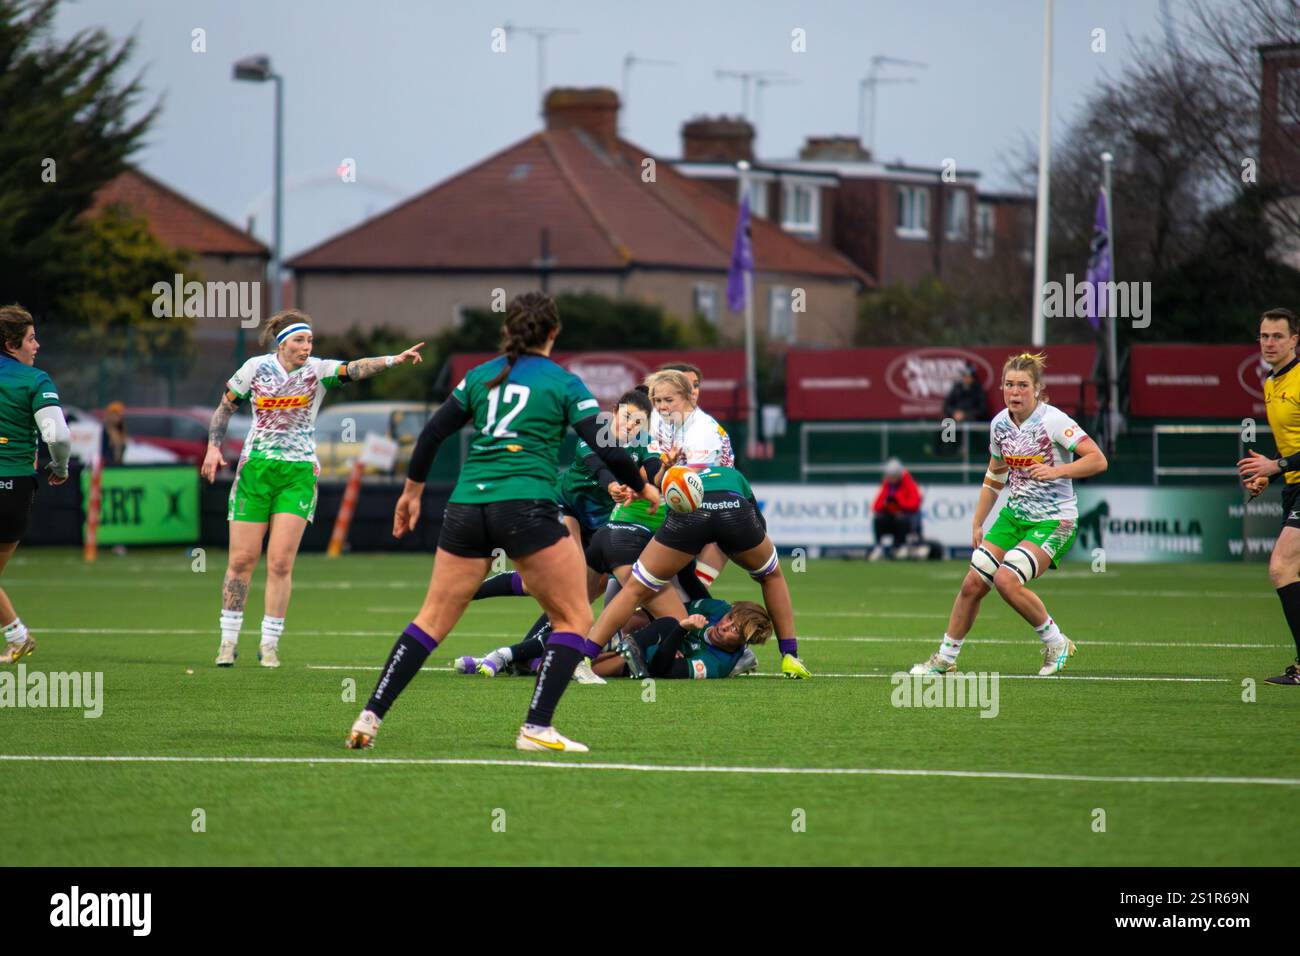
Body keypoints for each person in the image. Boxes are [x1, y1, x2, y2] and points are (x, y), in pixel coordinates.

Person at [345, 292, 658, 753]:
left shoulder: (480, 376)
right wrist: (645, 487)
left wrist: (411, 492)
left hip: (466, 506)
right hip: (525, 507)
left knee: (431, 619)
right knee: (574, 616)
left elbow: (432, 433)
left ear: (508, 332)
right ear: (553, 334)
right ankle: (536, 727)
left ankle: (370, 716)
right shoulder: (564, 383)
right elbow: (608, 446)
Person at [517, 461, 812, 751]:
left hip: (688, 518)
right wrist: (741, 545)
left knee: (634, 590)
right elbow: (757, 521)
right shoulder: (733, 475)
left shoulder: (675, 476)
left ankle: (584, 658)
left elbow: (656, 496)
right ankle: (790, 656)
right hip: (735, 514)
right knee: (771, 576)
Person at [204, 309, 424, 668]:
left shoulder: (317, 371)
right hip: (255, 470)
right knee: (242, 560)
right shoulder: (254, 369)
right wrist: (214, 447)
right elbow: (224, 409)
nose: (307, 347)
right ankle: (227, 642)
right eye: (299, 340)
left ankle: (270, 643)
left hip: (299, 473)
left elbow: (354, 368)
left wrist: (392, 360)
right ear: (282, 344)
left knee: (279, 562)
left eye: (310, 340)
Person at [911, 351, 1108, 677]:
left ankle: (1055, 641)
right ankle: (945, 659)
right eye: (1008, 385)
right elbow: (995, 475)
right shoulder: (1000, 424)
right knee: (973, 583)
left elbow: (1098, 460)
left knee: (1006, 579)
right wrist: (978, 521)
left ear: (1038, 389)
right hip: (1013, 516)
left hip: (1054, 520)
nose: (1014, 392)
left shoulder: (1053, 421)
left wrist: (1057, 471)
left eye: (1022, 385)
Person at [0, 305, 72, 665]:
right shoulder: (35, 380)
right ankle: (17, 637)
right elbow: (57, 434)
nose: (37, 345)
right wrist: (59, 466)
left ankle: (17, 635)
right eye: (30, 338)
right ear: (12, 344)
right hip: (16, 487)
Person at [1237, 307, 1300, 685]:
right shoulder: (1271, 383)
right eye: (1264, 336)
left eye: (1278, 336)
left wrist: (1276, 466)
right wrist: (1271, 476)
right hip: (1294, 487)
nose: (1270, 343)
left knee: (1281, 567)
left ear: (1295, 339)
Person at [597, 599, 771, 680]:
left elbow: (662, 670)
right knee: (649, 616)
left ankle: (611, 644)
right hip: (650, 633)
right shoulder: (718, 608)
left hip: (647, 662)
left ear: (743, 642)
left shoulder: (715, 665)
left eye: (735, 629)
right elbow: (672, 608)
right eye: (729, 618)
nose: (724, 626)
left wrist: (680, 631)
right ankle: (621, 641)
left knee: (600, 664)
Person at [869, 457, 923, 560]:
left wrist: (899, 504)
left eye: (892, 476)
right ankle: (878, 547)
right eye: (888, 476)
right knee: (878, 519)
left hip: (906, 517)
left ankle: (901, 547)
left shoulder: (909, 483)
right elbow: (876, 506)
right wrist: (889, 506)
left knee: (901, 519)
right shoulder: (887, 484)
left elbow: (915, 504)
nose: (889, 479)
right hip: (891, 516)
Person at [937, 362, 988, 458]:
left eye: (968, 376)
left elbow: (982, 410)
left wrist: (965, 415)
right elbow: (947, 405)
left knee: (969, 425)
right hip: (954, 419)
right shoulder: (957, 388)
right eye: (964, 376)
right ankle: (948, 454)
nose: (966, 378)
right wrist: (954, 413)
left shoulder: (978, 390)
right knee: (947, 423)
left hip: (971, 419)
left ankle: (969, 453)